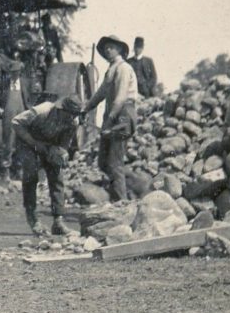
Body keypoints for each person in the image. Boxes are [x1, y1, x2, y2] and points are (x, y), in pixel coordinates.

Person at [10, 94, 84, 235]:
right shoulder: (42, 111)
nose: (71, 118)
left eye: (74, 115)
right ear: (61, 110)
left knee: (57, 177)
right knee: (31, 175)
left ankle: (58, 221)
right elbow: (16, 122)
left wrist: (60, 153)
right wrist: (34, 143)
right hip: (29, 143)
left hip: (50, 144)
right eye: (69, 114)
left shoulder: (73, 122)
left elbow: (64, 144)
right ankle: (32, 218)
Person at [81, 35, 138, 202]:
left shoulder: (123, 68)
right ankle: (126, 191)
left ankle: (122, 204)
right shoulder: (111, 69)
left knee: (114, 163)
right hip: (113, 114)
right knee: (103, 163)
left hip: (122, 116)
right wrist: (86, 107)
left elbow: (120, 98)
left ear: (119, 49)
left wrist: (109, 119)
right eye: (105, 48)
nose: (107, 50)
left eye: (111, 47)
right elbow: (101, 94)